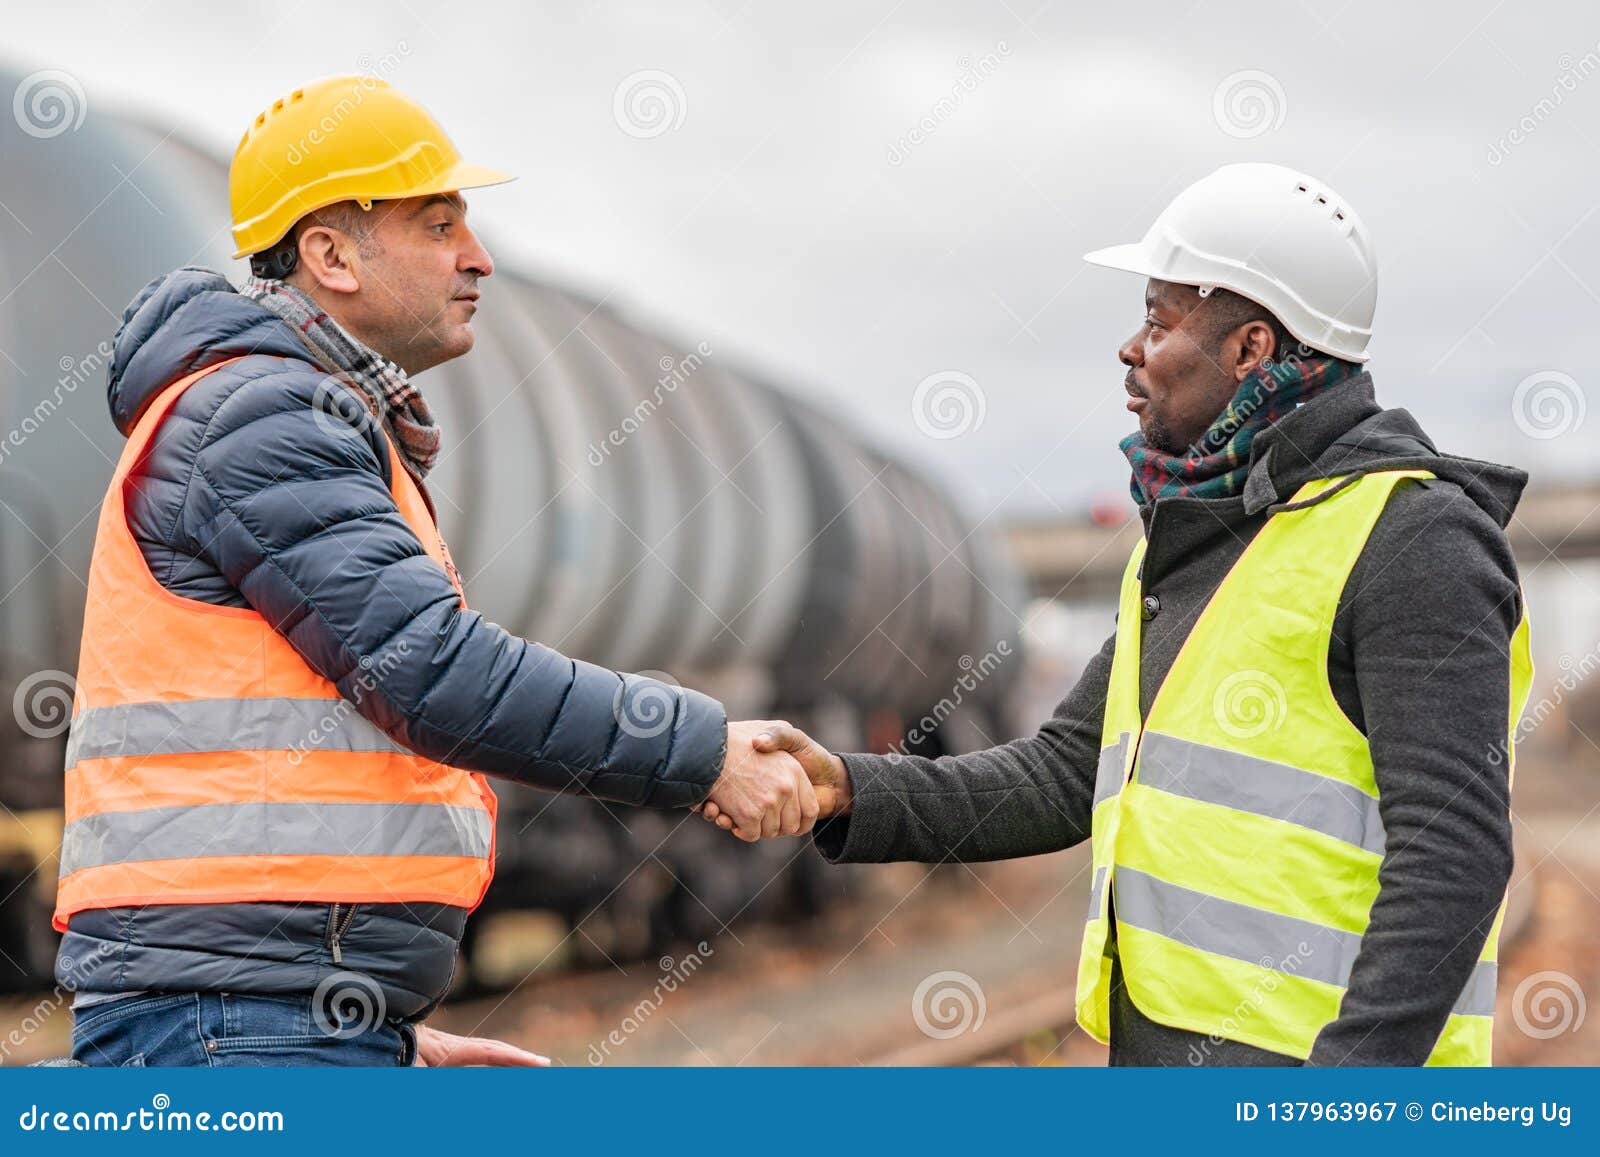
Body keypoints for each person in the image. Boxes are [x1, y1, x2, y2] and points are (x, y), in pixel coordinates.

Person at [59, 75, 816, 1068]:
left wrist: (378, 1033)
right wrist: (699, 747)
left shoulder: (299, 415)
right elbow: (434, 673)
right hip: (235, 1024)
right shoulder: (263, 419)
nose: (479, 257)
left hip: (256, 1014)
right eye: (438, 222)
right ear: (330, 253)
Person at [705, 163, 1535, 1067]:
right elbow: (1067, 774)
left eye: (1159, 318)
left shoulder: (1415, 539)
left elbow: (1454, 853)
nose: (1130, 350)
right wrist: (847, 788)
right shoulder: (1203, 531)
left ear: (1251, 349)